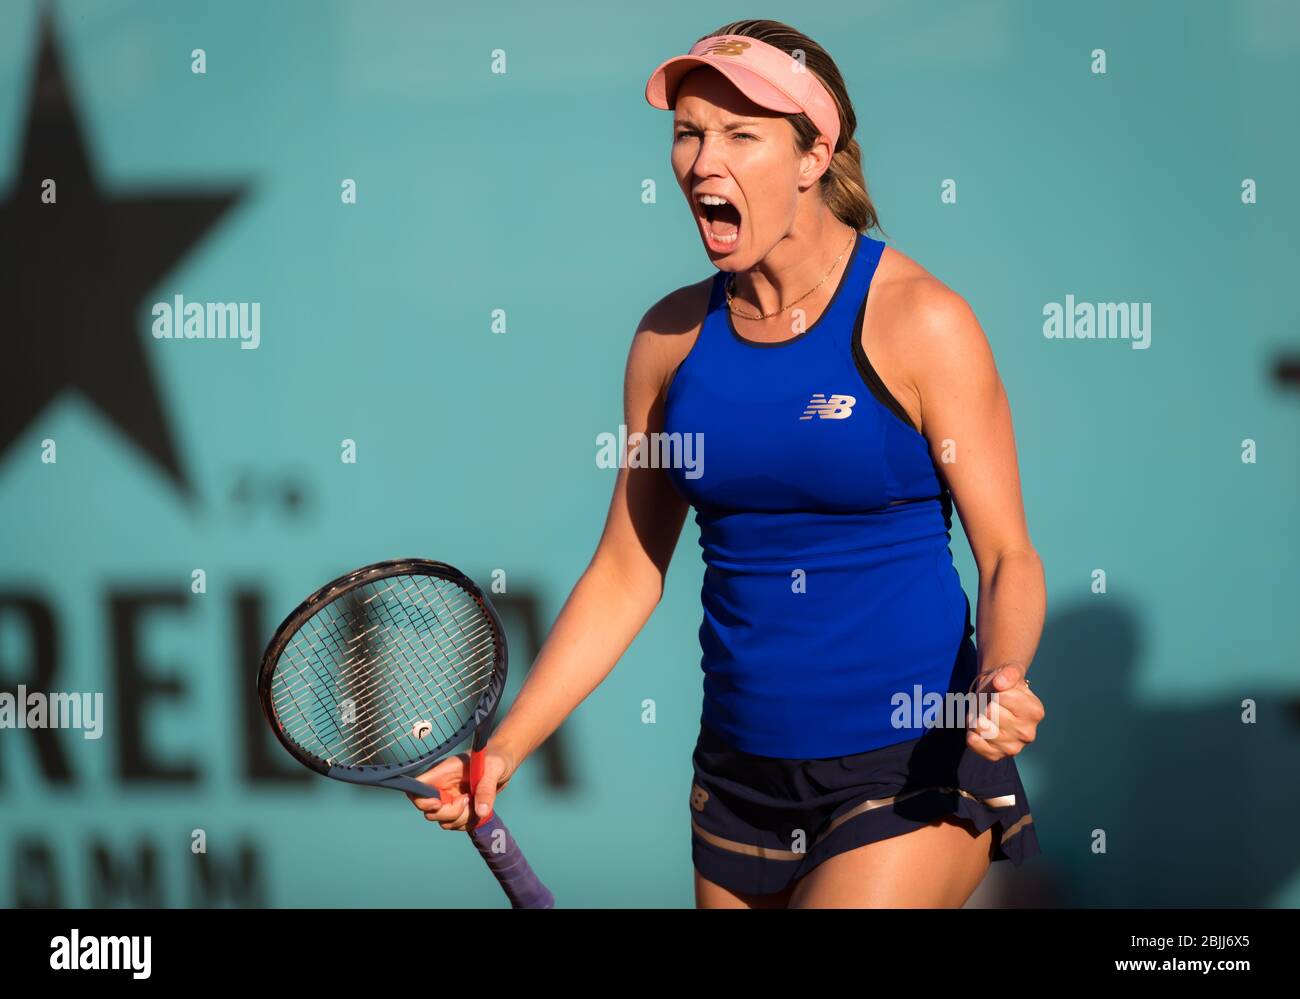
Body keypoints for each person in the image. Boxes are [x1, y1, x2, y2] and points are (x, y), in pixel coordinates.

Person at [409, 18, 1047, 909]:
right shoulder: (668, 342)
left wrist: (1001, 678)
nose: (704, 160)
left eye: (741, 135)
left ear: (812, 155)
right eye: (688, 132)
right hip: (739, 783)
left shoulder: (923, 321)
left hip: (912, 767)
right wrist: (506, 747)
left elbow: (1009, 555)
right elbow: (627, 570)